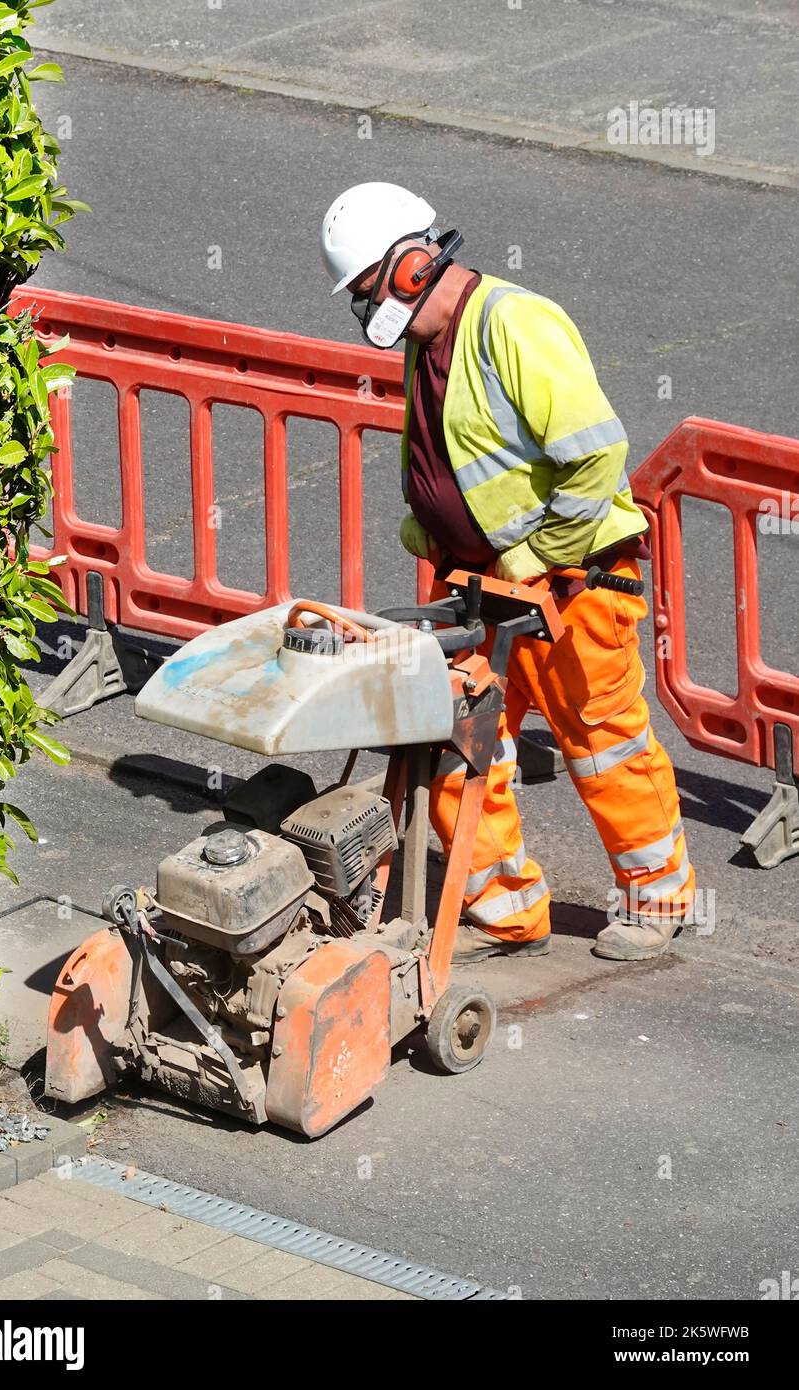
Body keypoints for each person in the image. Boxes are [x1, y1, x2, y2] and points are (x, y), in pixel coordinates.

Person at [320, 182, 694, 961]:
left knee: (603, 744)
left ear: (415, 265)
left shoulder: (514, 322)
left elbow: (596, 456)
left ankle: (660, 903)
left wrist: (543, 551)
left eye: (367, 290)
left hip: (570, 586)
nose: (366, 311)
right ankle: (507, 911)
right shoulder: (429, 338)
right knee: (457, 750)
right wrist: (432, 525)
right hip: (479, 586)